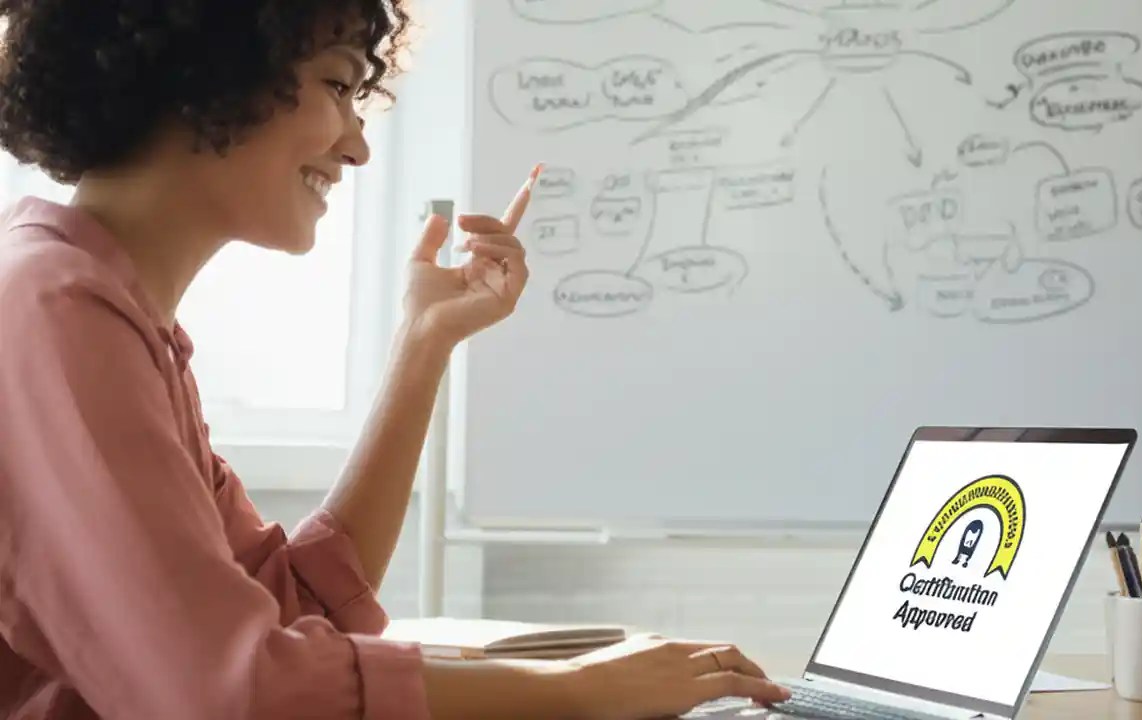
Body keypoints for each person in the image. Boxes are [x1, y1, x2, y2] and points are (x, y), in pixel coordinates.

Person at [0, 1, 791, 718]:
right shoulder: (55, 308)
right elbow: (228, 690)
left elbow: (287, 610)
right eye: (338, 87)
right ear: (207, 75)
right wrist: (579, 691)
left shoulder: (112, 315)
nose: (358, 146)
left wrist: (424, 345)